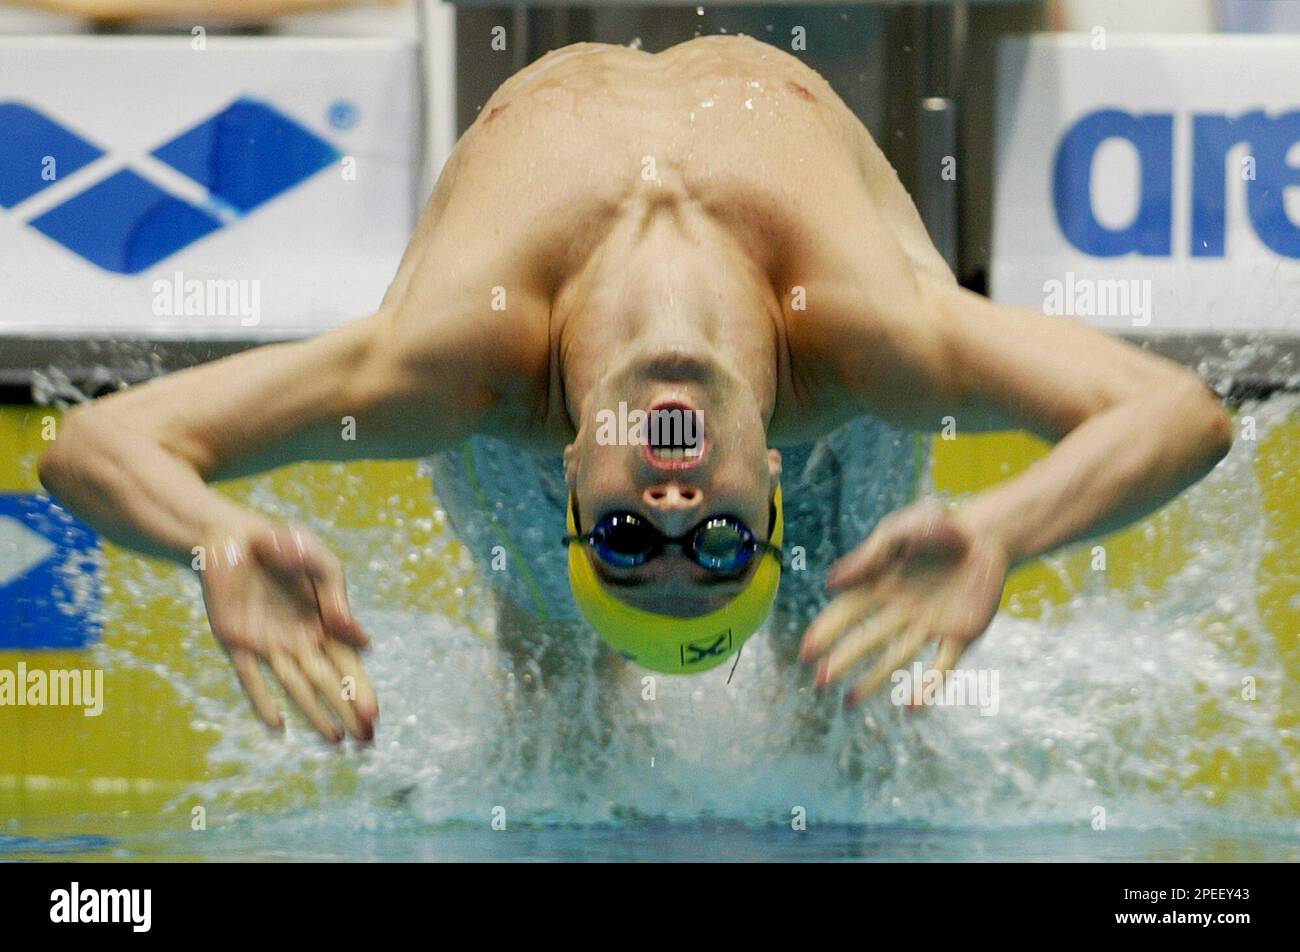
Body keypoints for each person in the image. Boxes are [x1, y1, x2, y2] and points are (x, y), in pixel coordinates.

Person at [38, 36, 1233, 744]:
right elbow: (1182, 414)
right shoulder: (874, 341)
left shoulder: (456, 363)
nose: (670, 508)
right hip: (820, 390)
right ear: (765, 484)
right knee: (840, 657)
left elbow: (93, 444)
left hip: (529, 377)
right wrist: (993, 533)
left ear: (570, 474)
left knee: (819, 705)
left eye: (624, 537)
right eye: (718, 544)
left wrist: (216, 540)